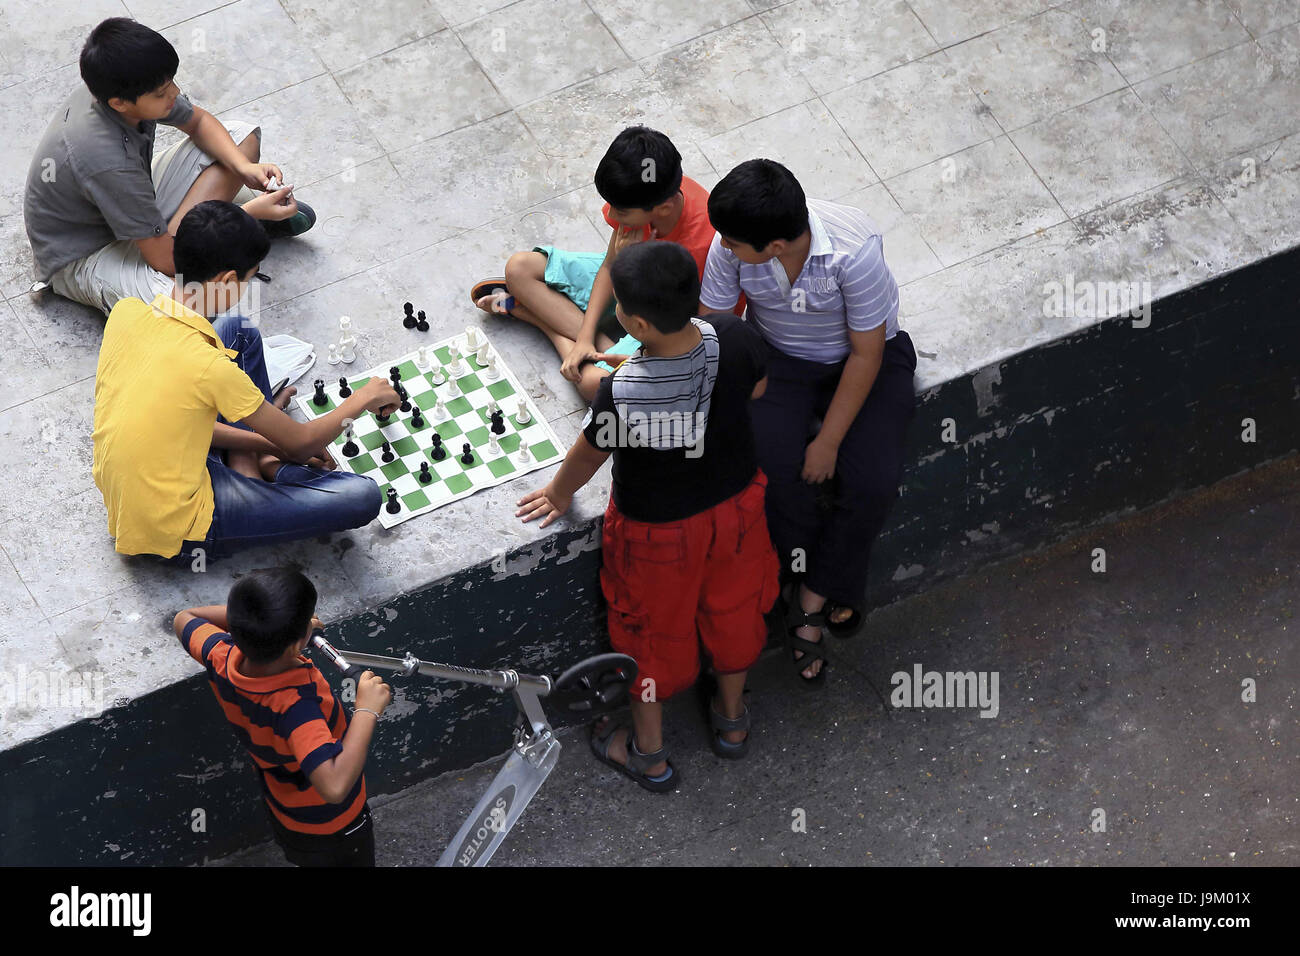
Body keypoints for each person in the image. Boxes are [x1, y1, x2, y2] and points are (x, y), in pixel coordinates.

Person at [517, 241, 778, 791]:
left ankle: (649, 755)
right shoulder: (734, 335)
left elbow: (590, 454)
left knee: (649, 636)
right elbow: (756, 387)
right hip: (737, 512)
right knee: (735, 607)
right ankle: (732, 721)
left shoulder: (622, 392)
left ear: (635, 323)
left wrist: (559, 494)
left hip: (658, 535)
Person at [699, 159, 918, 685]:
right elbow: (713, 324)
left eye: (733, 242)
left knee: (872, 483)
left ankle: (811, 598)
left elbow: (866, 353)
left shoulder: (853, 251)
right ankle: (809, 578)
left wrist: (829, 442)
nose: (722, 247)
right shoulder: (733, 243)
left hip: (867, 360)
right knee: (769, 471)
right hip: (779, 360)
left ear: (775, 245)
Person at [92, 200, 397, 563]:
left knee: (236, 329)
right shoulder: (208, 366)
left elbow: (180, 423)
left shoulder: (126, 311)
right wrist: (363, 397)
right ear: (226, 281)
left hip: (144, 488)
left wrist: (266, 440)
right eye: (249, 278)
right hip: (178, 529)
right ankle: (259, 474)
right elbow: (302, 445)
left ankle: (254, 464)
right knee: (362, 496)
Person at [23, 17, 314, 315]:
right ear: (119, 103)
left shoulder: (122, 83)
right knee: (189, 307)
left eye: (171, 82)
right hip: (86, 252)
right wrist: (245, 216)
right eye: (161, 93)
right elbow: (165, 261)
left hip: (128, 203)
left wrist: (244, 168)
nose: (173, 93)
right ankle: (222, 235)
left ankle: (207, 236)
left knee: (240, 139)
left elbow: (198, 122)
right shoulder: (107, 160)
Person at [470, 125, 722, 401]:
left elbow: (695, 329)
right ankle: (595, 343)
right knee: (519, 268)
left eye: (620, 211)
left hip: (657, 316)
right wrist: (585, 338)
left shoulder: (705, 243)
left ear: (663, 209)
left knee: (594, 384)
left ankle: (534, 316)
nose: (611, 214)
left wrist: (630, 262)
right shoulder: (642, 190)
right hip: (625, 281)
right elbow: (609, 266)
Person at [173, 568, 392, 866]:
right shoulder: (295, 704)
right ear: (295, 643)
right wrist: (367, 709)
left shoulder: (219, 654)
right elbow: (334, 786)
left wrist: (263, 624)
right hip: (333, 826)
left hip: (284, 811)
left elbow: (184, 618)